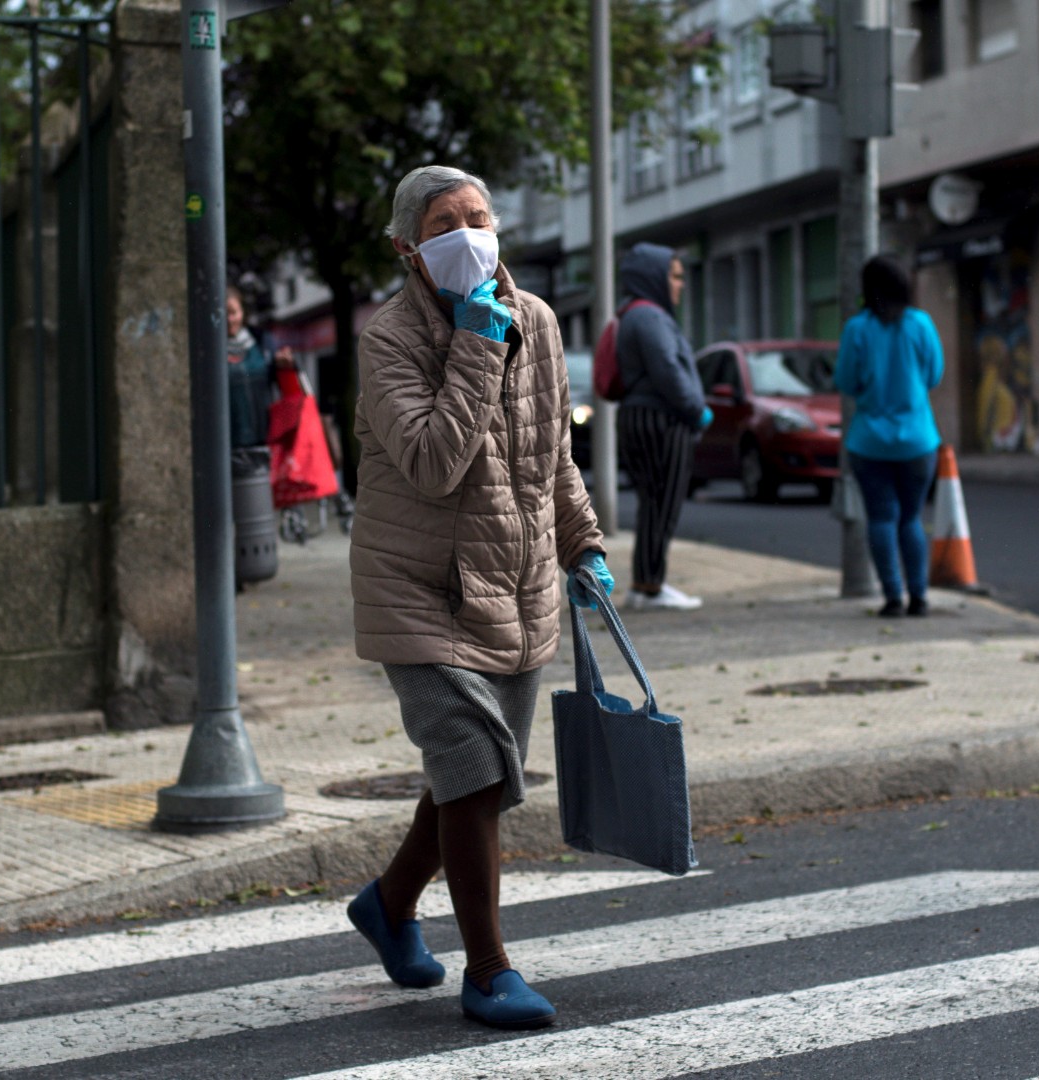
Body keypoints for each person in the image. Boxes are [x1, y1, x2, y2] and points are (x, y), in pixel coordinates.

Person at [346, 164, 612, 1031]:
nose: (470, 232)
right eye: (445, 222)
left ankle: (389, 905)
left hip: (520, 578)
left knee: (479, 779)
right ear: (408, 249)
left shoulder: (535, 318)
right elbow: (430, 461)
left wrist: (584, 544)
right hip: (418, 589)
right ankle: (490, 970)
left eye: (479, 216)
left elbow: (554, 456)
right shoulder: (387, 340)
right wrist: (471, 342)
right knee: (472, 765)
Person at [835, 254, 945, 617]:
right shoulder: (920, 324)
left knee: (881, 519)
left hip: (869, 442)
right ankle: (920, 598)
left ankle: (893, 598)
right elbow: (934, 376)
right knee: (911, 518)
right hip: (918, 440)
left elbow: (846, 382)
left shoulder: (857, 329)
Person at [613, 243, 711, 611]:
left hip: (640, 416)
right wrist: (696, 408)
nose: (680, 285)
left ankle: (645, 583)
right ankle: (652, 587)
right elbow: (667, 369)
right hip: (661, 420)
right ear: (653, 278)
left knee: (651, 504)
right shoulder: (651, 317)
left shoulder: (632, 314)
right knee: (663, 504)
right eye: (674, 276)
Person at [225, 287, 295, 451]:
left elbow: (284, 386)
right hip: (230, 446)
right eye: (224, 313)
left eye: (233, 312)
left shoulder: (262, 341)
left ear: (242, 312)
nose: (230, 319)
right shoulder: (209, 350)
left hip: (268, 440)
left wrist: (284, 366)